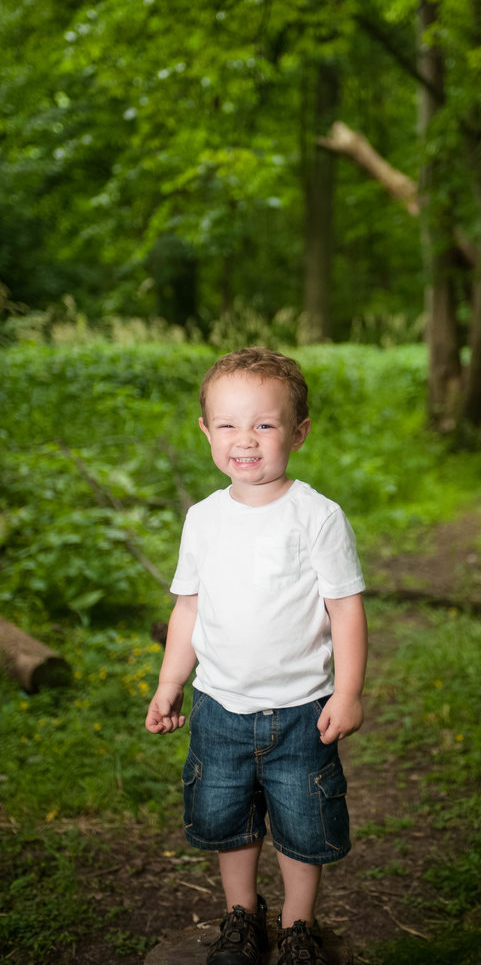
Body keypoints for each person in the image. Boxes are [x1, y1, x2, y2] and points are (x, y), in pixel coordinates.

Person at [145, 347, 368, 965]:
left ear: (298, 432)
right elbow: (187, 609)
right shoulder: (204, 519)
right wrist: (170, 685)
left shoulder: (317, 517)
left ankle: (299, 926)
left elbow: (345, 609)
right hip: (218, 708)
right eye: (228, 424)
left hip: (301, 711)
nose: (246, 439)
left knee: (303, 824)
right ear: (205, 432)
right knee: (228, 820)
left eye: (265, 424)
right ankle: (242, 916)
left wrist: (347, 692)